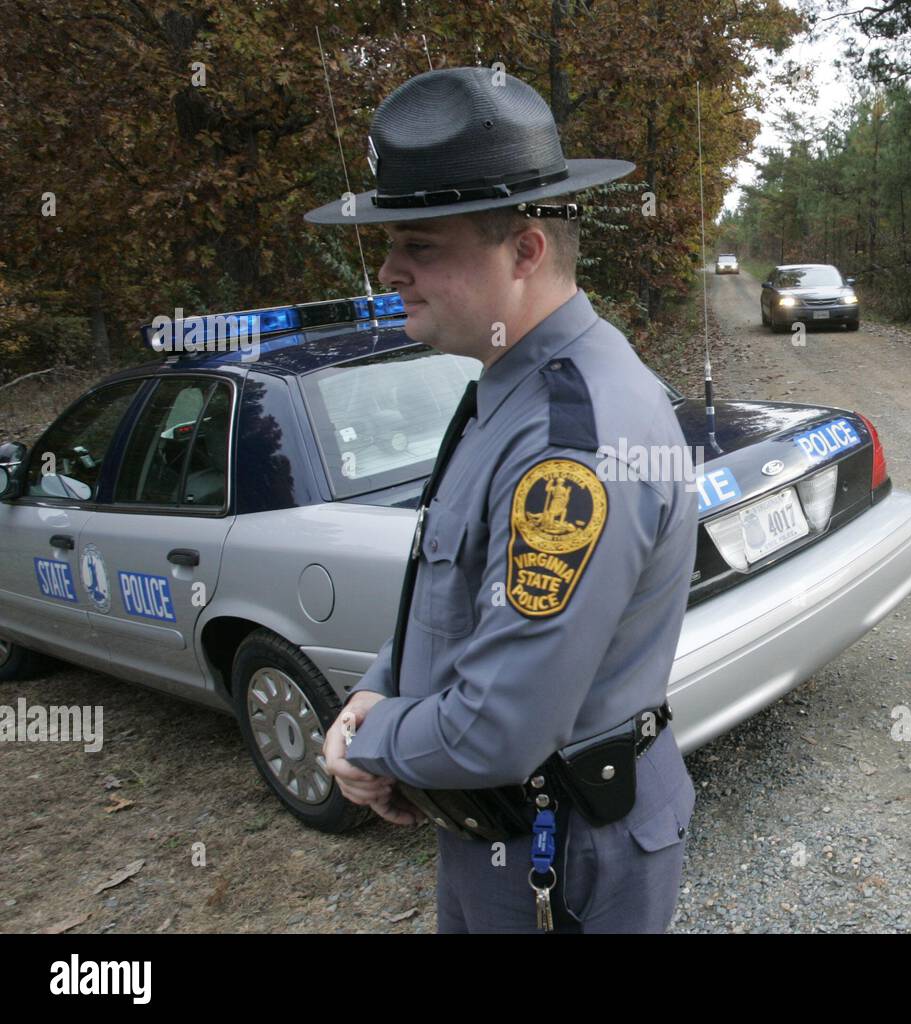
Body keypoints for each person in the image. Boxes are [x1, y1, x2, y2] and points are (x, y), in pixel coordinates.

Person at [310, 66, 698, 933]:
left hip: (563, 847)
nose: (390, 268)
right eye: (391, 244)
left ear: (524, 250)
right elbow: (447, 602)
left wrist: (367, 742)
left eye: (422, 245)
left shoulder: (573, 440)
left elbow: (498, 729)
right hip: (507, 830)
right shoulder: (509, 383)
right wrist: (375, 692)